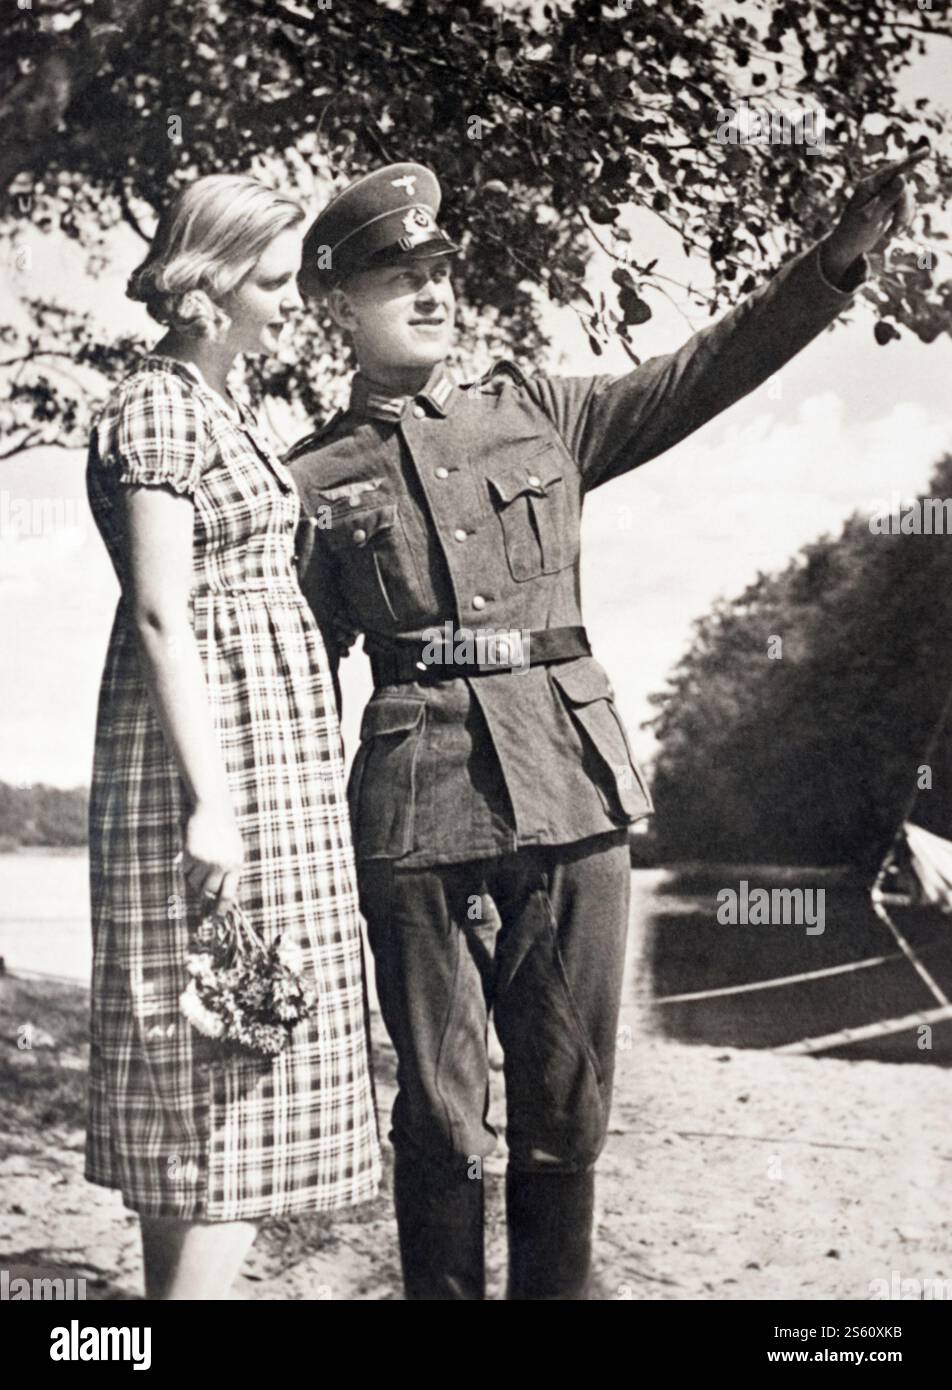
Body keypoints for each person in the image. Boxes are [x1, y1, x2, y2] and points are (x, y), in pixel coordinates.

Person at [286, 158, 914, 1300]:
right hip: (412, 804)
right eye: (397, 277)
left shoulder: (540, 414)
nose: (431, 292)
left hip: (570, 786)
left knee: (566, 1104)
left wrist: (828, 268)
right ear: (338, 302)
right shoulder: (311, 479)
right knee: (435, 1106)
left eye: (439, 270)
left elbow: (697, 373)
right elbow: (278, 669)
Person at [85, 174, 380, 1300]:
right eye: (270, 276)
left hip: (266, 746)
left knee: (219, 1068)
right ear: (206, 288)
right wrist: (212, 802)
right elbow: (163, 609)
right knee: (231, 1054)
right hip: (218, 756)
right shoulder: (159, 404)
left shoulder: (221, 404)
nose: (290, 294)